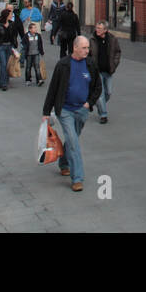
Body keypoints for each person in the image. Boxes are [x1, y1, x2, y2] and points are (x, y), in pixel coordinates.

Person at [42, 35, 101, 192]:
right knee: (74, 142)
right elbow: (53, 89)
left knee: (71, 139)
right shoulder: (63, 65)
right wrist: (46, 112)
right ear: (75, 47)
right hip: (65, 110)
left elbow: (97, 87)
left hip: (82, 111)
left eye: (88, 48)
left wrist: (89, 103)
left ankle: (63, 162)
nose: (87, 51)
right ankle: (77, 178)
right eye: (84, 48)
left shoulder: (90, 64)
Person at [87, 20, 121, 123]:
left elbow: (117, 52)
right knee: (100, 94)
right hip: (97, 71)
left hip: (109, 70)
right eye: (96, 28)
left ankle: (97, 104)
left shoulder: (112, 39)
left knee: (108, 92)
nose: (97, 30)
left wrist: (114, 64)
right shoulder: (92, 40)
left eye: (99, 28)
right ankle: (103, 115)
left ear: (105, 30)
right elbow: (88, 54)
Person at [0, 4, 20, 91]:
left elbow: (14, 36)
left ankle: (4, 82)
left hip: (9, 46)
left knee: (7, 65)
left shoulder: (12, 24)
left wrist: (15, 45)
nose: (11, 16)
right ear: (6, 16)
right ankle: (4, 84)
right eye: (10, 15)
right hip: (1, 46)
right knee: (3, 64)